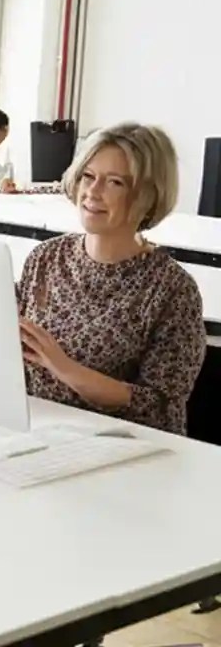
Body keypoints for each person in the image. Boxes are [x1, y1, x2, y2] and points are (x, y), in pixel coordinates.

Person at [16, 123, 205, 435]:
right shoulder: (45, 259)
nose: (92, 191)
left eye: (114, 182)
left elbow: (160, 406)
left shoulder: (172, 290)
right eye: (88, 177)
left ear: (147, 195)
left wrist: (65, 368)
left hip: (124, 449)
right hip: (39, 430)